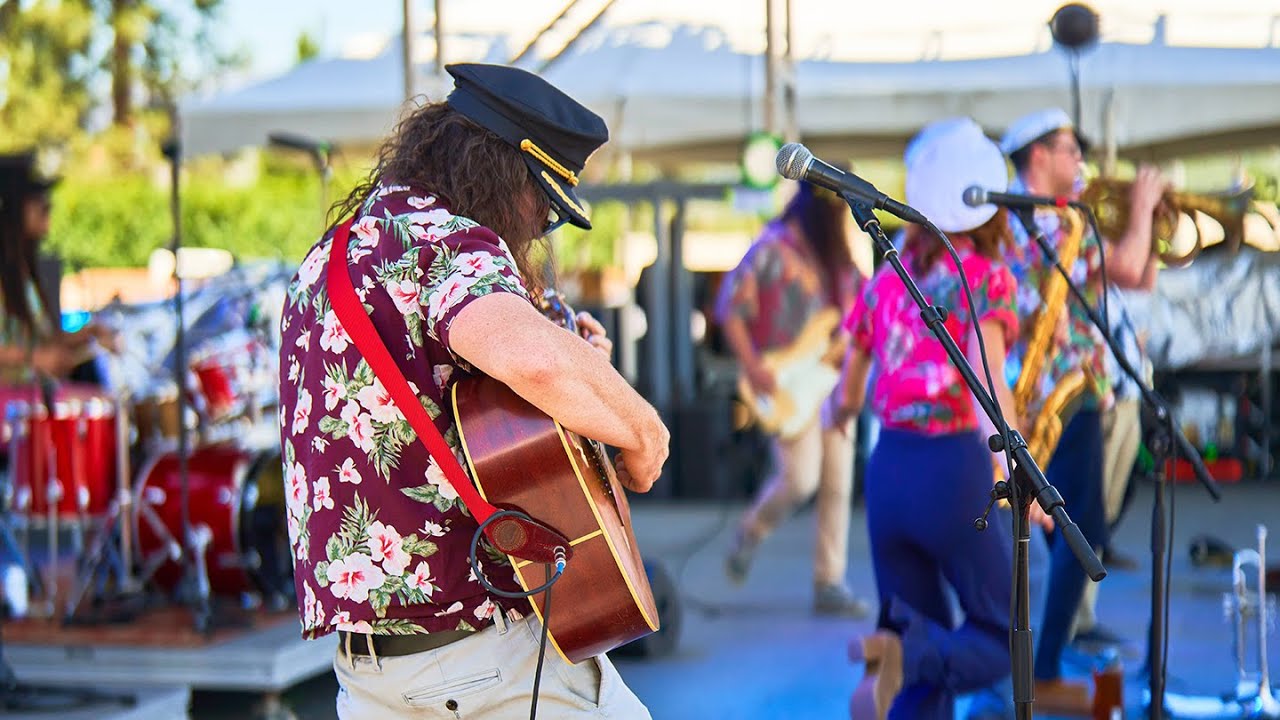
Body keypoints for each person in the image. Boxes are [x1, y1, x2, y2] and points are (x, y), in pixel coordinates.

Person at [276, 63, 668, 719]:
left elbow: (453, 399)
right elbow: (531, 360)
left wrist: (572, 360)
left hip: (368, 674)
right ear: (502, 173)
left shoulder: (335, 255)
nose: (538, 227)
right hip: (484, 661)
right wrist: (642, 431)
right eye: (543, 208)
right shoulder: (448, 243)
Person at [832, 117, 1046, 720]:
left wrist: (838, 414)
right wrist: (1018, 476)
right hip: (953, 470)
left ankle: (900, 659)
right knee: (1010, 634)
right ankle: (907, 659)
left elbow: (847, 390)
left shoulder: (889, 279)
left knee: (911, 628)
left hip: (889, 471)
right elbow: (989, 387)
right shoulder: (986, 277)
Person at [998, 107, 1166, 713]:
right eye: (1070, 149)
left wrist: (1157, 229)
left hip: (1072, 386)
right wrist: (1142, 208)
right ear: (1037, 154)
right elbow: (1121, 266)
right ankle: (1042, 667)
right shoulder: (1032, 216)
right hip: (1056, 392)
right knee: (1079, 527)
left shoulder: (1057, 217)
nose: (1081, 163)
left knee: (1077, 526)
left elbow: (1132, 278)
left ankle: (1045, 658)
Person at [717, 179, 870, 617]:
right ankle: (752, 529)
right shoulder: (772, 247)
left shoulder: (841, 254)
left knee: (838, 483)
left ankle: (829, 581)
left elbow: (860, 310)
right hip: (787, 385)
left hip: (834, 382)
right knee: (800, 479)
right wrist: (753, 364)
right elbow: (731, 307)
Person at [0, 152, 113, 385]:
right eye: (42, 207)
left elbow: (35, 340)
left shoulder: (22, 269)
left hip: (31, 401)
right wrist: (37, 358)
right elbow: (29, 351)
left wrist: (84, 335)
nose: (48, 219)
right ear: (14, 209)